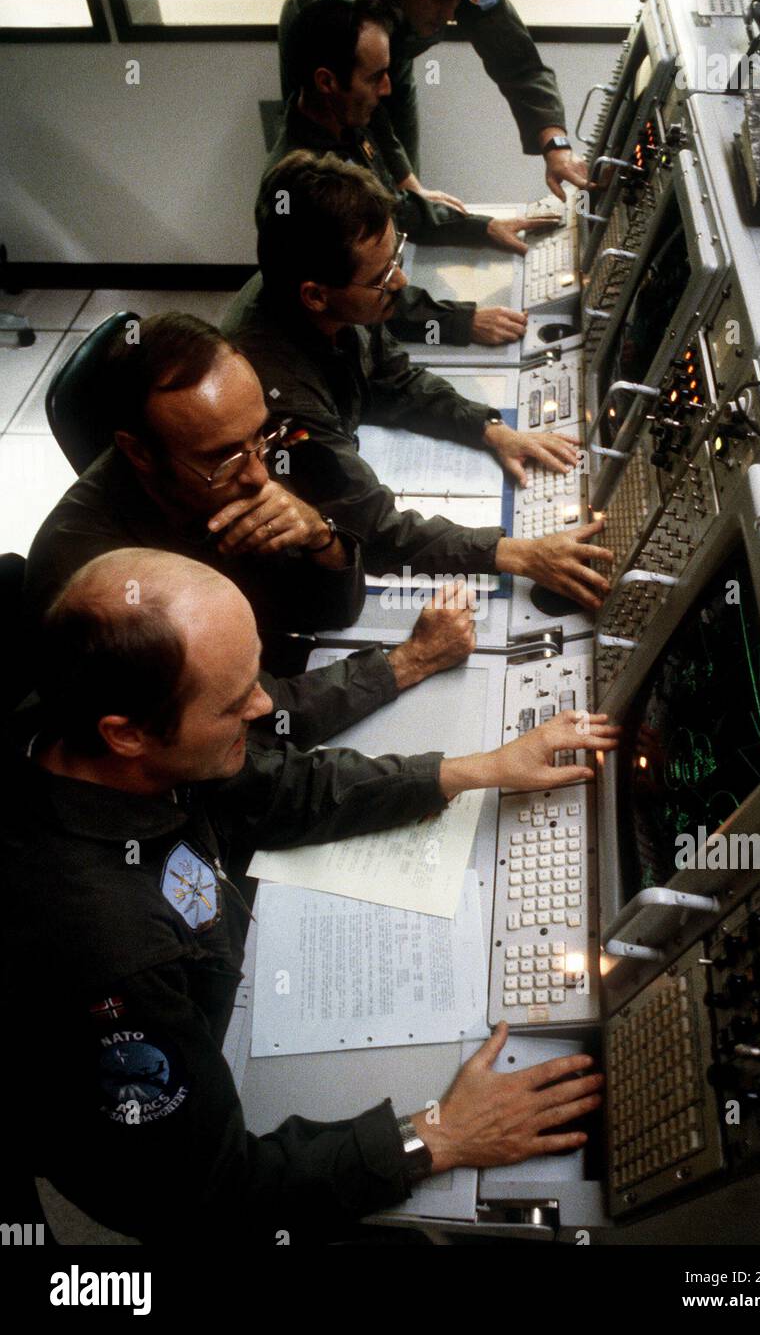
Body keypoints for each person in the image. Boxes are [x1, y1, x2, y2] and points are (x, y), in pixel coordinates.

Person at [1, 548, 617, 1242]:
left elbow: (268, 787)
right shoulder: (107, 951)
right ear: (128, 734)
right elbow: (201, 1194)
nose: (264, 705)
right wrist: (435, 1137)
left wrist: (476, 771)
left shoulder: (71, 733)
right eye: (236, 704)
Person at [24, 313, 477, 750]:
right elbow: (250, 724)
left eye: (260, 436)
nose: (260, 476)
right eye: (225, 456)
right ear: (138, 453)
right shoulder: (102, 583)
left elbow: (333, 611)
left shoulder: (227, 465)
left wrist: (322, 539)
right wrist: (410, 660)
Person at [224, 152, 612, 612]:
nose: (402, 280)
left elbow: (395, 380)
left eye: (397, 257)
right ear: (315, 296)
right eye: (383, 275)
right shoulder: (277, 392)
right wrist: (519, 554)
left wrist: (488, 429)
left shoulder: (343, 302)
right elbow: (372, 529)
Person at [269, 0, 561, 348]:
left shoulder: (346, 119)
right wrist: (460, 322)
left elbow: (395, 207)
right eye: (375, 77)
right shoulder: (304, 186)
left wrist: (482, 228)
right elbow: (355, 299)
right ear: (327, 81)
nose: (387, 88)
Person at [279, 0, 589, 201]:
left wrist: (555, 146)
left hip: (393, 63)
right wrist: (403, 180)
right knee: (330, 187)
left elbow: (517, 60)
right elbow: (360, 118)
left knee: (405, 198)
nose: (451, 15)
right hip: (334, 71)